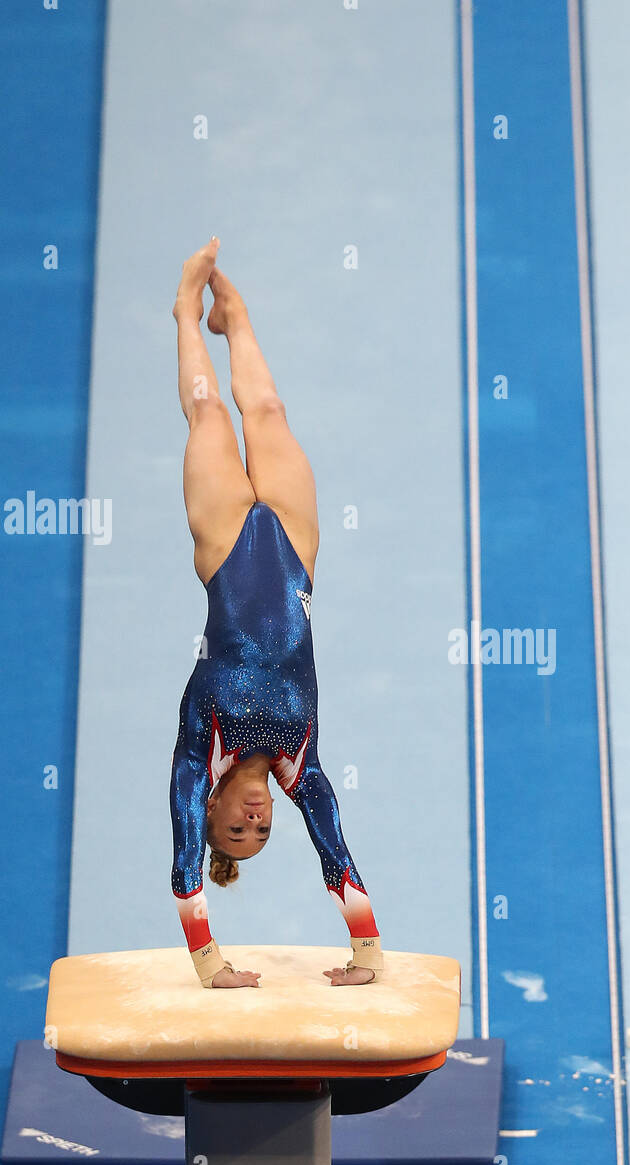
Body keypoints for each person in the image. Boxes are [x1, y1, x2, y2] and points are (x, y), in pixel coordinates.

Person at [170, 237, 382, 989]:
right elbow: (337, 853)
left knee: (208, 416)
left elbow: (186, 868)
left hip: (227, 551)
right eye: (261, 830)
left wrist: (209, 964)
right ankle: (237, 315)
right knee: (266, 406)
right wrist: (366, 955)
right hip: (294, 551)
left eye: (238, 827)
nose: (254, 818)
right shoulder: (301, 767)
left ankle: (188, 319)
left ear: (216, 808)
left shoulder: (203, 756)